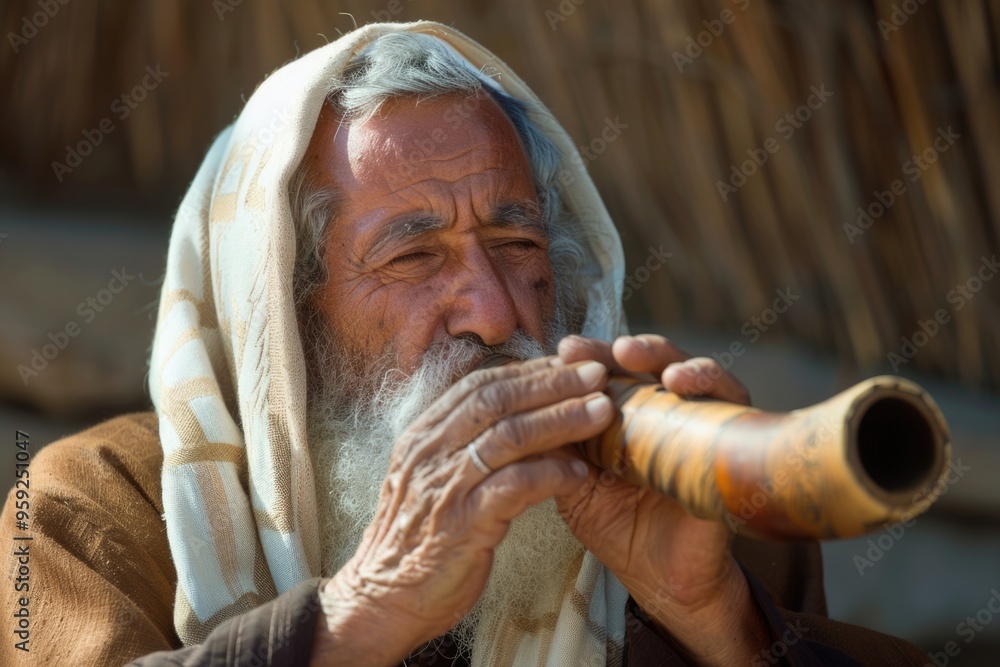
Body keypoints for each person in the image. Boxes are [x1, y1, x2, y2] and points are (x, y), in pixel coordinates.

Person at [0, 21, 928, 666]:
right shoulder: (82, 514)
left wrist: (714, 619)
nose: (491, 312)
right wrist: (361, 615)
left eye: (519, 245)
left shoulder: (707, 526)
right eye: (413, 255)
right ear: (280, 316)